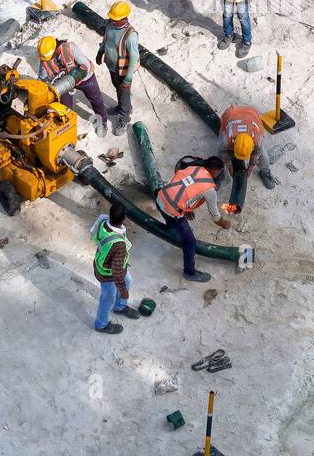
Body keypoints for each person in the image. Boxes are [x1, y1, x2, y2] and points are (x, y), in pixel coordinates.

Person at [155, 155, 226, 283]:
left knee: (170, 219)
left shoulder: (194, 168)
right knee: (190, 242)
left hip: (160, 198)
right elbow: (215, 217)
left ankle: (169, 227)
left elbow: (184, 187)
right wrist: (224, 224)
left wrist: (187, 208)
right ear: (215, 171)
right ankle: (189, 272)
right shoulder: (210, 190)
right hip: (172, 211)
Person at [37, 35, 108, 138]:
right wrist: (39, 89)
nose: (47, 60)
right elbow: (42, 78)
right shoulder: (45, 56)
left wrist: (72, 78)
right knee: (65, 107)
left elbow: (85, 66)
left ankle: (102, 121)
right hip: (62, 83)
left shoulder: (69, 48)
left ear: (55, 49)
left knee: (96, 99)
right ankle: (68, 127)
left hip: (84, 78)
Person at [92, 202, 140, 335]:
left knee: (128, 280)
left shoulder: (103, 221)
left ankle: (120, 307)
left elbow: (93, 234)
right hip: (108, 274)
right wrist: (123, 290)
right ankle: (101, 324)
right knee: (107, 298)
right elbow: (117, 272)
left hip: (108, 264)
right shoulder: (118, 244)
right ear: (124, 219)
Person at [96, 0, 140, 136]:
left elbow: (133, 58)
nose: (113, 21)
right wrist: (100, 53)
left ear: (125, 18)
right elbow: (105, 41)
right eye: (112, 19)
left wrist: (128, 78)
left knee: (124, 92)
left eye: (116, 20)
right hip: (112, 67)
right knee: (118, 89)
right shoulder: (110, 26)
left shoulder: (131, 35)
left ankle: (125, 118)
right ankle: (122, 107)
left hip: (124, 71)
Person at [218, 104, 278, 189]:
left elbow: (257, 153)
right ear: (234, 143)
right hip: (231, 112)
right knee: (220, 155)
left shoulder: (258, 140)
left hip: (250, 113)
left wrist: (250, 168)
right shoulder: (226, 139)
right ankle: (218, 172)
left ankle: (265, 172)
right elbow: (223, 152)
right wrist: (230, 167)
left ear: (252, 145)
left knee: (263, 155)